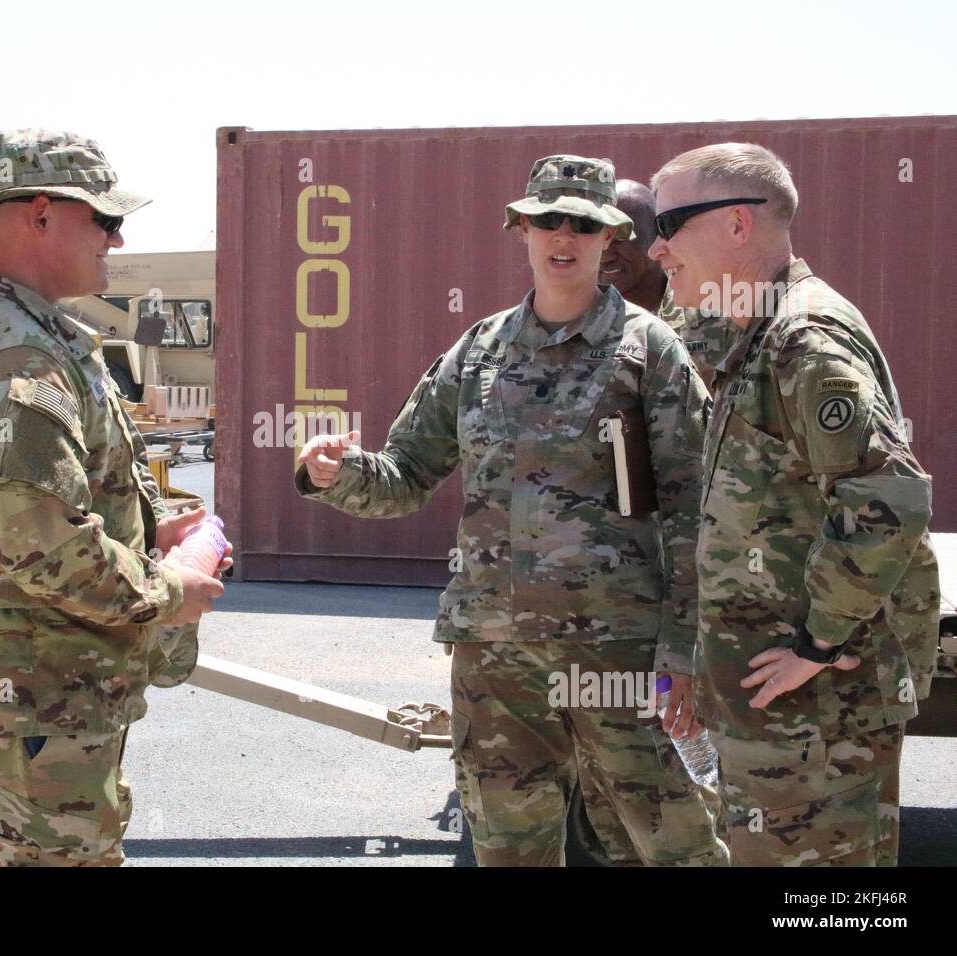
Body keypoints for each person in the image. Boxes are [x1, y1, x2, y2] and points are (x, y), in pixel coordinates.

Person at [297, 155, 728, 867]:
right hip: (496, 661)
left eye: (584, 223)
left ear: (609, 236)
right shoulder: (480, 351)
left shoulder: (649, 350)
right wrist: (334, 473)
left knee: (674, 846)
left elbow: (695, 512)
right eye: (548, 220)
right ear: (521, 229)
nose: (565, 235)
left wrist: (683, 654)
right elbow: (406, 476)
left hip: (616, 656)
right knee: (509, 850)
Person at [0, 129, 226, 866]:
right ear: (39, 214)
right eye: (104, 220)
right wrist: (174, 588)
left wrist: (144, 534)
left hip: (10, 703)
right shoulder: (19, 358)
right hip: (30, 711)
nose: (119, 237)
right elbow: (43, 548)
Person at [648, 142, 939, 866]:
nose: (656, 248)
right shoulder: (754, 328)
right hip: (780, 705)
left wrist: (820, 640)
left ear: (737, 225)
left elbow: (889, 497)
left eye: (671, 223)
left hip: (820, 711)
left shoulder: (804, 340)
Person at [603, 179, 732, 392]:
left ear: (658, 238)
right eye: (600, 239)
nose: (605, 255)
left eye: (620, 239)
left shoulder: (715, 316)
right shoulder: (578, 321)